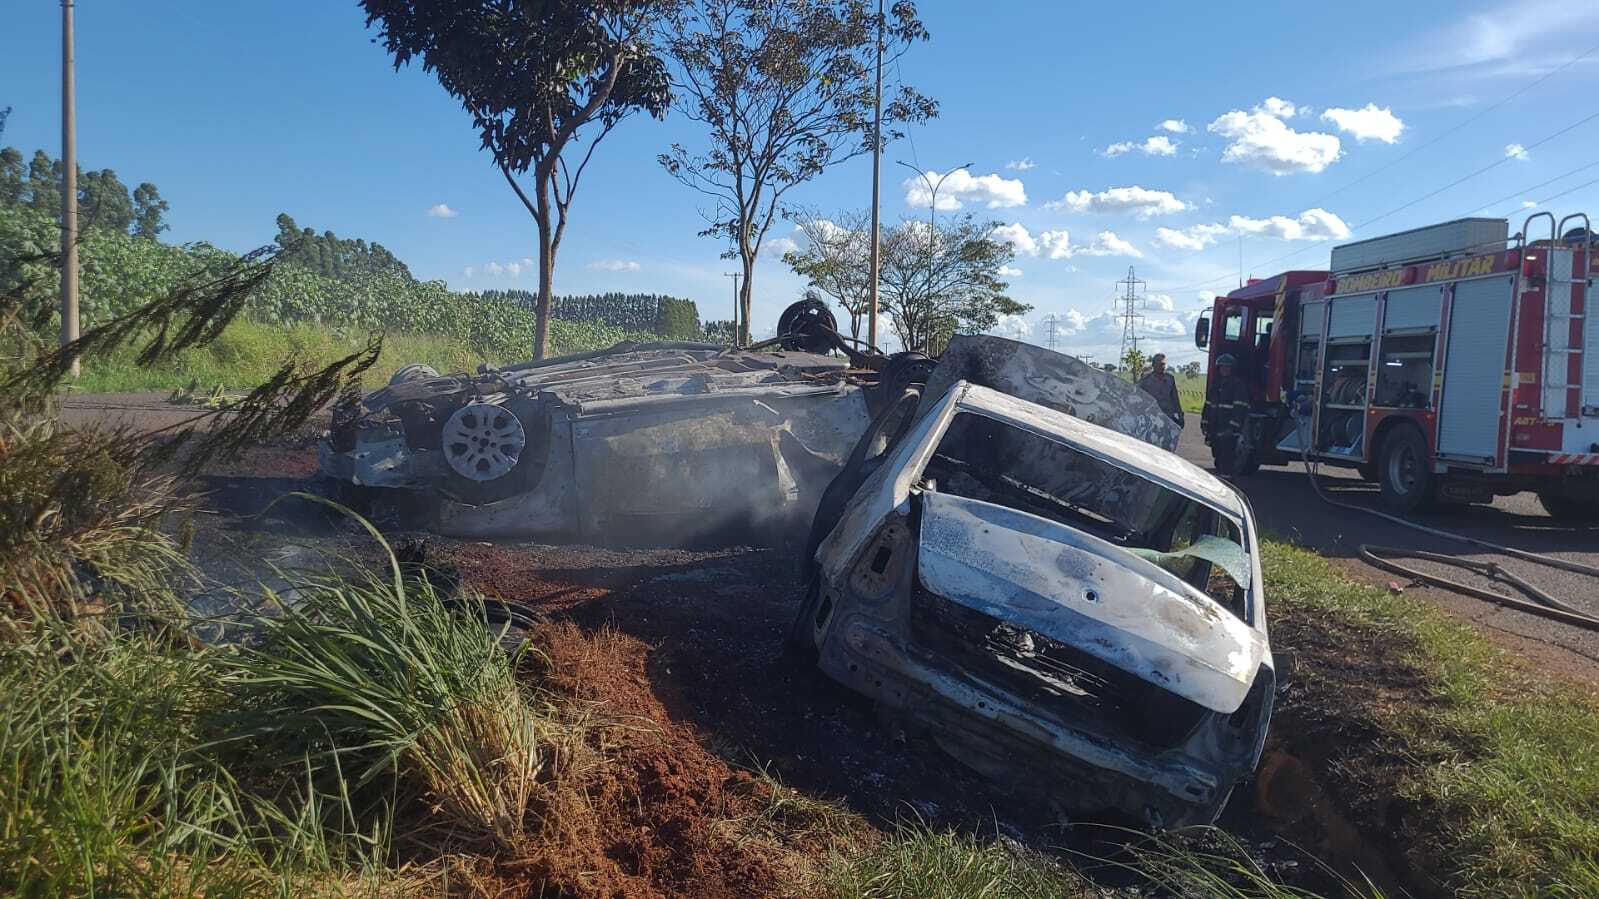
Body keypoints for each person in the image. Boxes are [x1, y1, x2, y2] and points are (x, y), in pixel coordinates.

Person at [1137, 352, 1184, 427]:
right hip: (1151, 417)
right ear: (1153, 365)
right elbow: (1138, 399)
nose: (1161, 367)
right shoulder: (1145, 381)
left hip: (1168, 417)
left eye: (1163, 364)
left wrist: (1180, 416)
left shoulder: (1170, 379)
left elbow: (1175, 399)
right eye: (1159, 364)